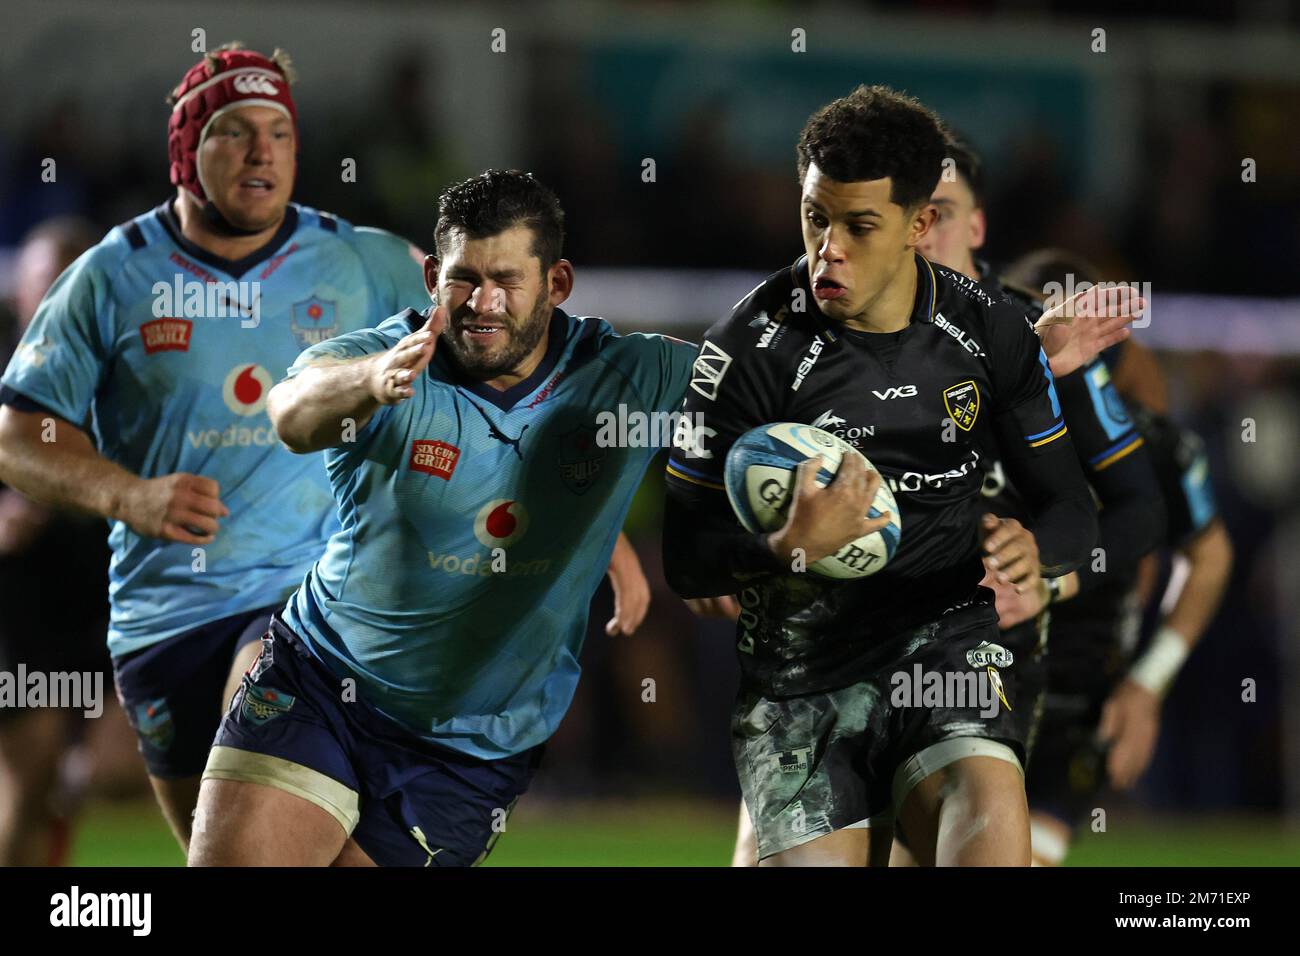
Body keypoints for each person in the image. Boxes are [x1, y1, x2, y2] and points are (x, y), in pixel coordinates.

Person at [663, 85, 1143, 867]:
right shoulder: (746, 350)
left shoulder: (991, 330)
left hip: (945, 651)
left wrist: (1038, 550)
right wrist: (788, 546)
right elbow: (686, 557)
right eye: (815, 217)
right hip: (800, 680)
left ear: (921, 226)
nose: (828, 249)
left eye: (859, 226)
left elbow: (1068, 508)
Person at [186, 169, 698, 866]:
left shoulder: (631, 377)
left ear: (557, 284)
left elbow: (763, 405)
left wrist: (720, 537)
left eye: (507, 280)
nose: (483, 303)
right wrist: (369, 381)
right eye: (463, 278)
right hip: (322, 681)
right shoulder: (387, 362)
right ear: (431, 276)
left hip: (470, 749)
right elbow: (292, 412)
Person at [0, 44, 433, 853]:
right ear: (185, 150)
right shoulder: (110, 276)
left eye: (280, 132)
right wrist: (128, 495)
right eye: (235, 131)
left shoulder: (362, 260)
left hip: (306, 603)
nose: (263, 150)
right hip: (162, 622)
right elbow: (20, 437)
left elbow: (488, 356)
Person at [1002, 251, 1233, 866]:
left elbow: (1208, 555)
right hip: (968, 682)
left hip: (1078, 701)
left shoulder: (1152, 445)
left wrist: (1147, 683)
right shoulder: (970, 421)